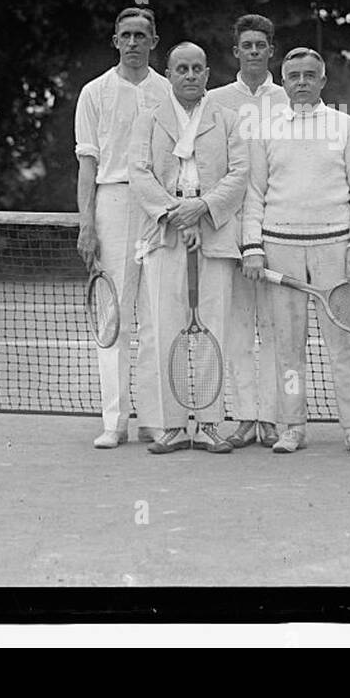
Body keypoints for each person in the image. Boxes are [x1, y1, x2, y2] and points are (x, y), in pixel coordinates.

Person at [240, 47, 350, 455]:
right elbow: (254, 192)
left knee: (344, 344)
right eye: (293, 75)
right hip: (280, 249)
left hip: (335, 249)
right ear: (283, 81)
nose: (301, 81)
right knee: (287, 347)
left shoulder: (344, 125)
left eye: (309, 75)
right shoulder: (265, 128)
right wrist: (252, 247)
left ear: (322, 80)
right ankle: (292, 427)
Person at [129, 42, 249, 454]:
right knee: (164, 328)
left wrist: (201, 209)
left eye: (198, 68)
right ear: (170, 74)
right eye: (182, 68)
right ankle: (172, 426)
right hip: (165, 234)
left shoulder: (228, 119)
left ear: (208, 73)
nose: (191, 75)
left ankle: (210, 424)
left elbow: (239, 174)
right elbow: (139, 174)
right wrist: (174, 214)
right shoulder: (148, 121)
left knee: (213, 328)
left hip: (213, 231)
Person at [74, 7, 172, 449]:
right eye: (126, 36)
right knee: (113, 316)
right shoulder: (93, 92)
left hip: (158, 207)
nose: (133, 43)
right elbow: (87, 164)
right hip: (111, 202)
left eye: (141, 36)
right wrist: (87, 224)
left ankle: (154, 419)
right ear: (115, 41)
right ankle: (115, 420)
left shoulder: (169, 92)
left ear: (154, 42)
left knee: (155, 317)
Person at [208, 14, 289, 448]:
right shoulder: (216, 100)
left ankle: (273, 418)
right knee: (238, 327)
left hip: (277, 229)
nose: (254, 51)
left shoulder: (290, 97)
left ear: (270, 50)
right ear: (236, 51)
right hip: (229, 231)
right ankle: (244, 416)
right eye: (247, 45)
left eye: (261, 44)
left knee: (275, 328)